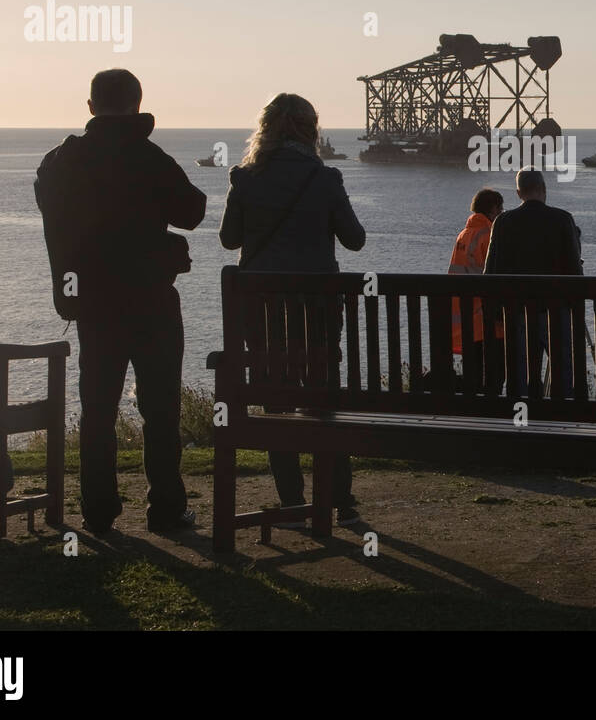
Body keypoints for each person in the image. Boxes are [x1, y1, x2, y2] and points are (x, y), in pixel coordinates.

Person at [34, 69, 206, 536]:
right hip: (150, 298)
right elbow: (193, 211)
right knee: (161, 406)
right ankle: (166, 509)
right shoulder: (149, 157)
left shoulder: (61, 162)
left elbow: (51, 206)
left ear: (90, 106)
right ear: (137, 104)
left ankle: (98, 511)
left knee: (98, 408)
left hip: (94, 302)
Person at [218, 93, 366, 525]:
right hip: (317, 315)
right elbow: (355, 239)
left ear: (266, 129)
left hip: (262, 317)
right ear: (310, 130)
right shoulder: (326, 178)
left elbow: (229, 240)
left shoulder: (244, 178)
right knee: (322, 398)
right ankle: (342, 500)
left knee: (276, 399)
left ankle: (291, 502)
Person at [484, 168, 582, 396]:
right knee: (563, 368)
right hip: (555, 311)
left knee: (519, 371)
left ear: (518, 193)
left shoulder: (502, 222)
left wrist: (497, 311)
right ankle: (561, 415)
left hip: (516, 311)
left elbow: (490, 272)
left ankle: (520, 417)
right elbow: (575, 272)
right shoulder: (563, 219)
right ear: (544, 189)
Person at [449, 188, 506, 392]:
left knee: (472, 378)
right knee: (495, 377)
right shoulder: (489, 235)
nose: (502, 212)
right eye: (501, 208)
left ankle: (471, 413)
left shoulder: (463, 235)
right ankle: (493, 418)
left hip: (465, 320)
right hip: (486, 320)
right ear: (492, 209)